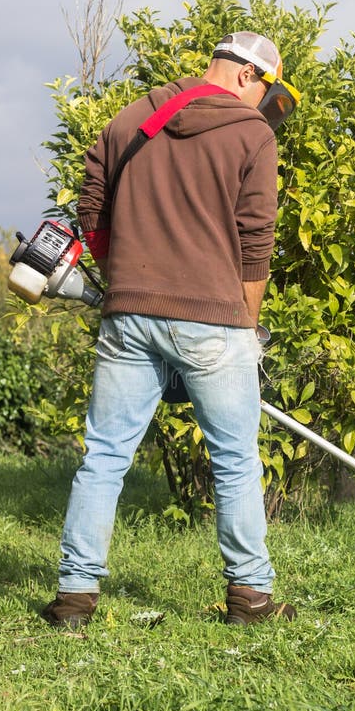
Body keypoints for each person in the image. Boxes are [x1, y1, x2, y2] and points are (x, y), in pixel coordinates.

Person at [41, 32, 301, 629]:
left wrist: (123, 280)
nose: (263, 104)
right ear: (246, 75)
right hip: (214, 319)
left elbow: (92, 210)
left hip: (128, 315)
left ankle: (75, 600)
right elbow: (255, 241)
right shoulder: (253, 133)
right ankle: (250, 599)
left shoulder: (129, 119)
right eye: (265, 89)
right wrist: (248, 323)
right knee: (235, 460)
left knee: (104, 456)